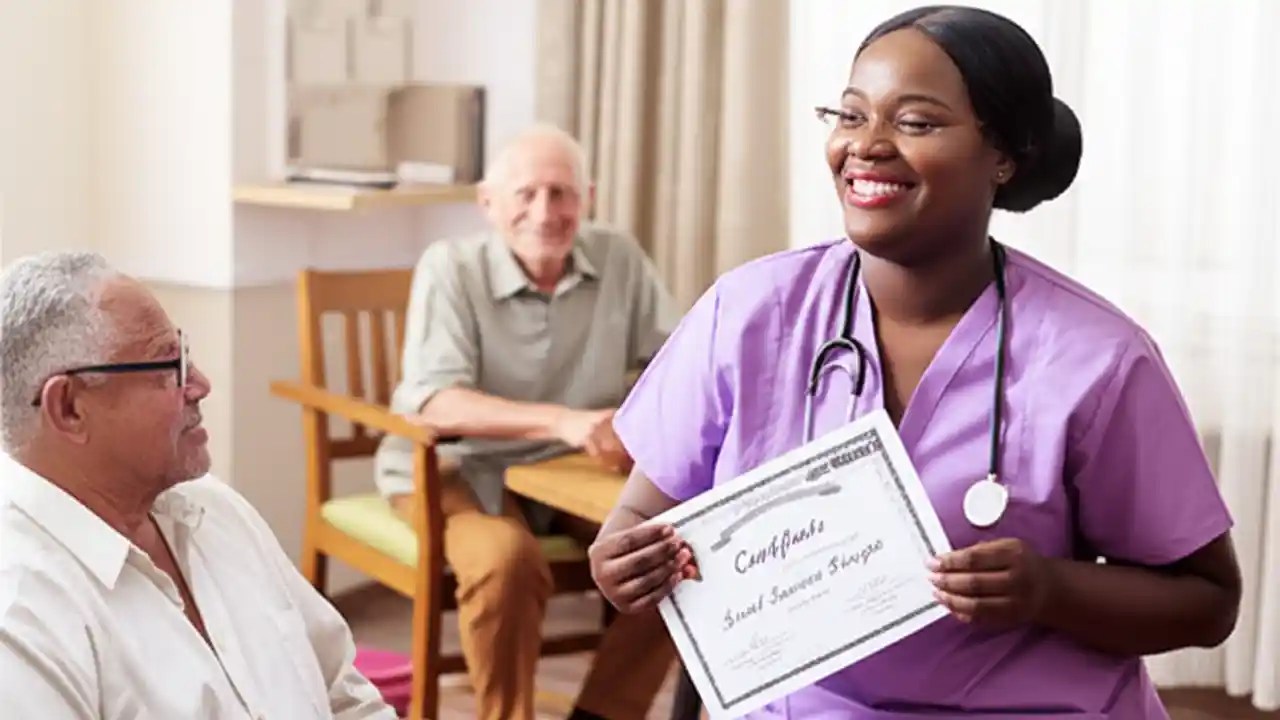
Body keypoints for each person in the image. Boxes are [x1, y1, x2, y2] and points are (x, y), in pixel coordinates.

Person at [589, 6, 1243, 718]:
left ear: (1005, 155)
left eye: (916, 123)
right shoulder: (747, 315)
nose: (866, 146)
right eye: (850, 115)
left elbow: (1208, 602)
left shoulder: (1097, 361)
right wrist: (621, 563)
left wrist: (1051, 590)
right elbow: (637, 517)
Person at [0, 251, 395, 718]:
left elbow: (343, 693)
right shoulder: (21, 616)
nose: (201, 384)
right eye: (170, 368)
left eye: (186, 356)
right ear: (69, 408)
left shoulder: (212, 508)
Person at [373, 124, 679, 720]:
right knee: (505, 562)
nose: (546, 212)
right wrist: (565, 421)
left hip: (572, 471)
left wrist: (636, 423)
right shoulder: (450, 267)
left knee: (669, 555)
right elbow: (432, 402)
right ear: (488, 202)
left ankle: (605, 715)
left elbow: (673, 364)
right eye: (527, 194)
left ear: (587, 197)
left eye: (563, 194)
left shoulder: (618, 257)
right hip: (454, 467)